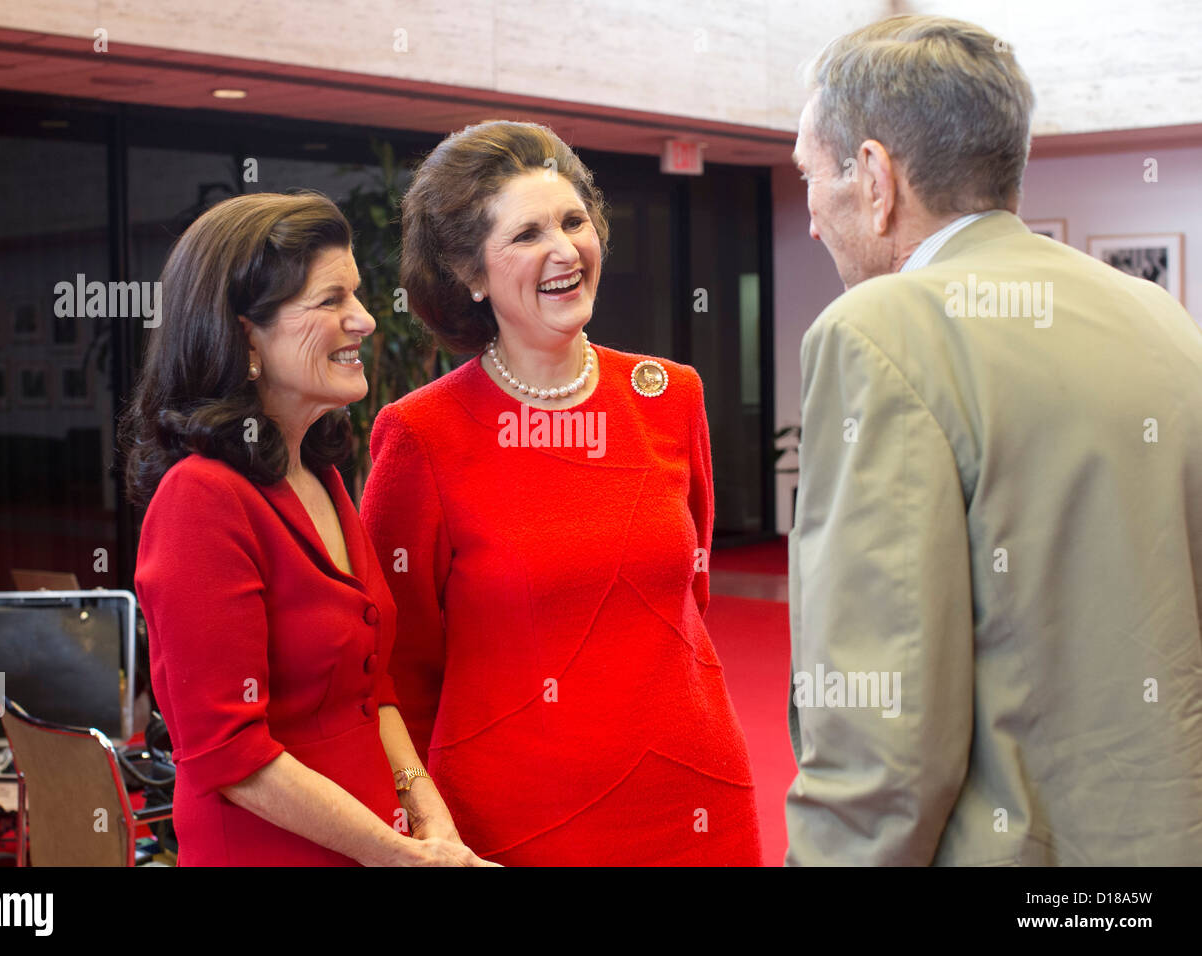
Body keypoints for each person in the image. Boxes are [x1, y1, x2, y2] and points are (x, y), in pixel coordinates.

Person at [785, 15, 1202, 865]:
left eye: (810, 177)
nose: (813, 222)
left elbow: (881, 736)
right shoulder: (1159, 316)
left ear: (874, 177)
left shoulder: (879, 329)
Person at [360, 121, 762, 866]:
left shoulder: (670, 395)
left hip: (695, 800)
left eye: (575, 221)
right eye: (527, 234)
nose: (565, 250)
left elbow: (688, 595)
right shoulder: (421, 434)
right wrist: (416, 817)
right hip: (518, 822)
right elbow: (393, 665)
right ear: (468, 274)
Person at [121, 191, 492, 866]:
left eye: (357, 295)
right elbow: (229, 755)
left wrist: (427, 813)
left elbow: (371, 686)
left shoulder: (316, 473)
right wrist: (400, 855)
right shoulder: (200, 500)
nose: (366, 320)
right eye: (331, 301)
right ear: (244, 335)